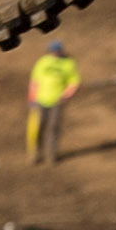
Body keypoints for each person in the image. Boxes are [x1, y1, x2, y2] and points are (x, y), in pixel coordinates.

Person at [25, 37, 82, 165]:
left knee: (53, 128)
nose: (54, 53)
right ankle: (34, 153)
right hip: (40, 100)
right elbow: (34, 81)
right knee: (37, 128)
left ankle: (52, 155)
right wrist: (31, 98)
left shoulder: (68, 63)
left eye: (57, 50)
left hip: (57, 102)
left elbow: (74, 82)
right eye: (52, 50)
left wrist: (66, 95)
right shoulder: (42, 62)